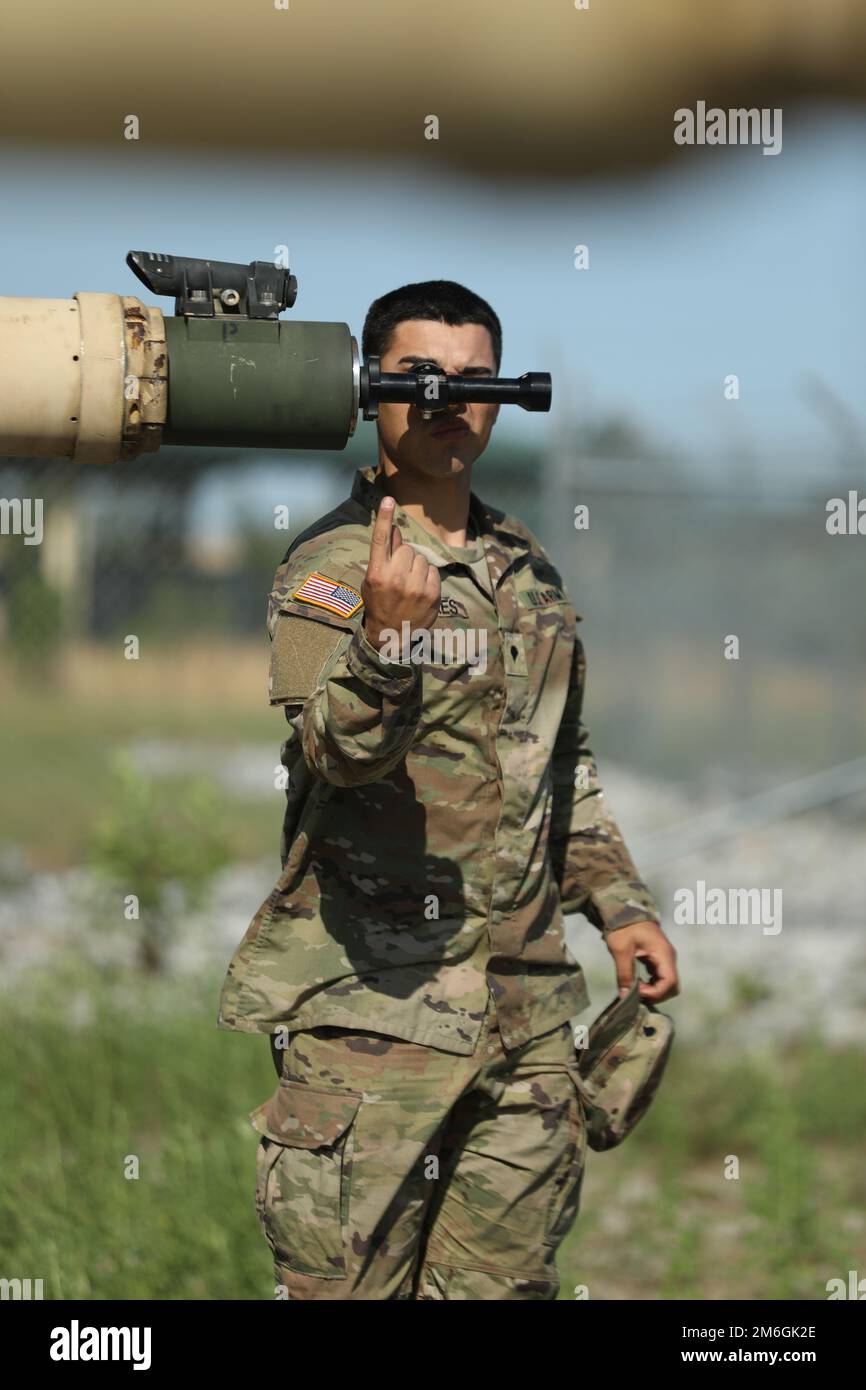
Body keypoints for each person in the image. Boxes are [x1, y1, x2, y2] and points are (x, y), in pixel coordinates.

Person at [218, 279, 679, 1300]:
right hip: (374, 1022)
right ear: (373, 389)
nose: (445, 401)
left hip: (525, 1024)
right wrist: (385, 638)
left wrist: (619, 904)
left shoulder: (528, 571)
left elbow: (563, 764)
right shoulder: (329, 566)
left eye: (474, 381)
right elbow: (331, 752)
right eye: (419, 376)